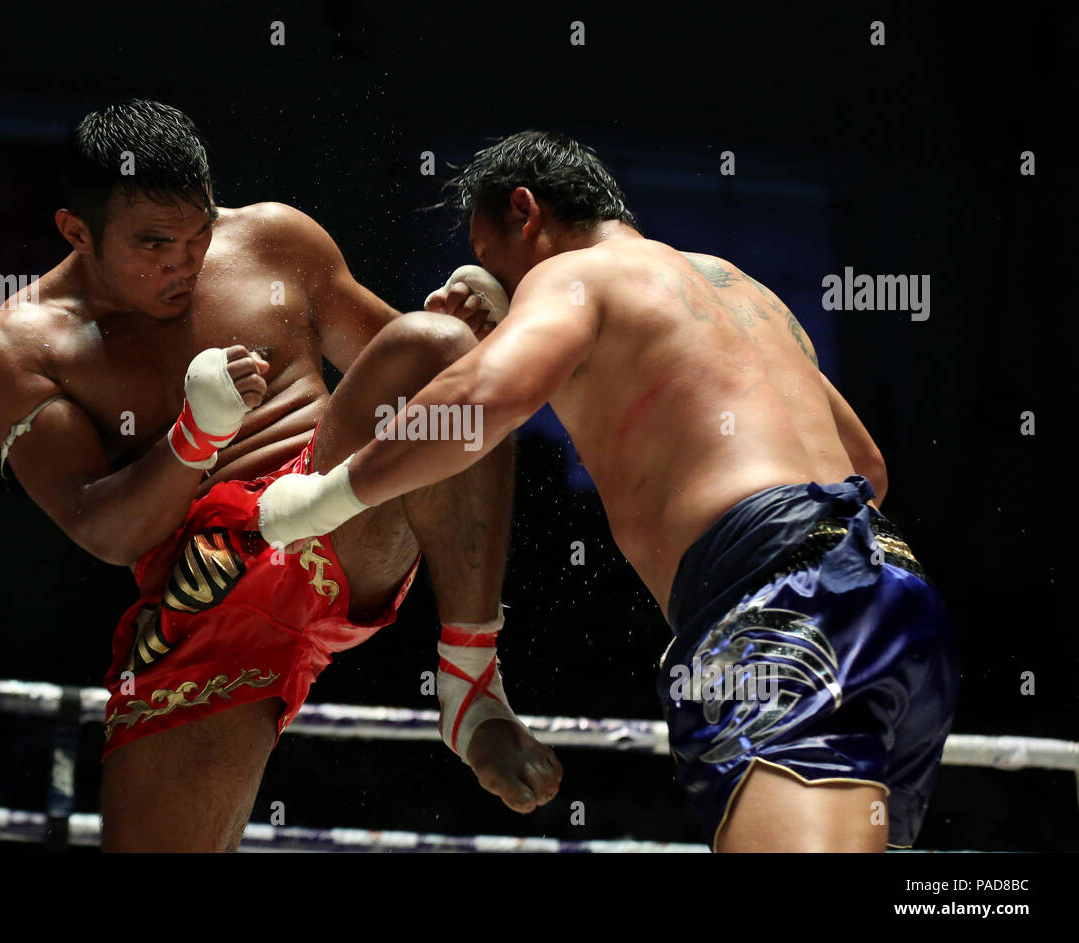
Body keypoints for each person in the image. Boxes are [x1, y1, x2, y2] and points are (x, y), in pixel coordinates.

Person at [257, 130, 959, 852]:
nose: (496, 275)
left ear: (525, 212)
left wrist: (329, 495)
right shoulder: (742, 289)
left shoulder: (573, 276)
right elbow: (866, 468)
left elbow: (482, 398)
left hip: (782, 601)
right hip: (898, 601)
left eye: (489, 251)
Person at [0, 102, 560, 852]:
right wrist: (193, 437)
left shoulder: (275, 240)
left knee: (434, 343)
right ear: (75, 232)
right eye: (155, 244)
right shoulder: (18, 347)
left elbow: (430, 391)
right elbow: (102, 528)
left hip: (336, 512)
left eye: (198, 233)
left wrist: (469, 339)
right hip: (202, 589)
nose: (183, 263)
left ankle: (471, 683)